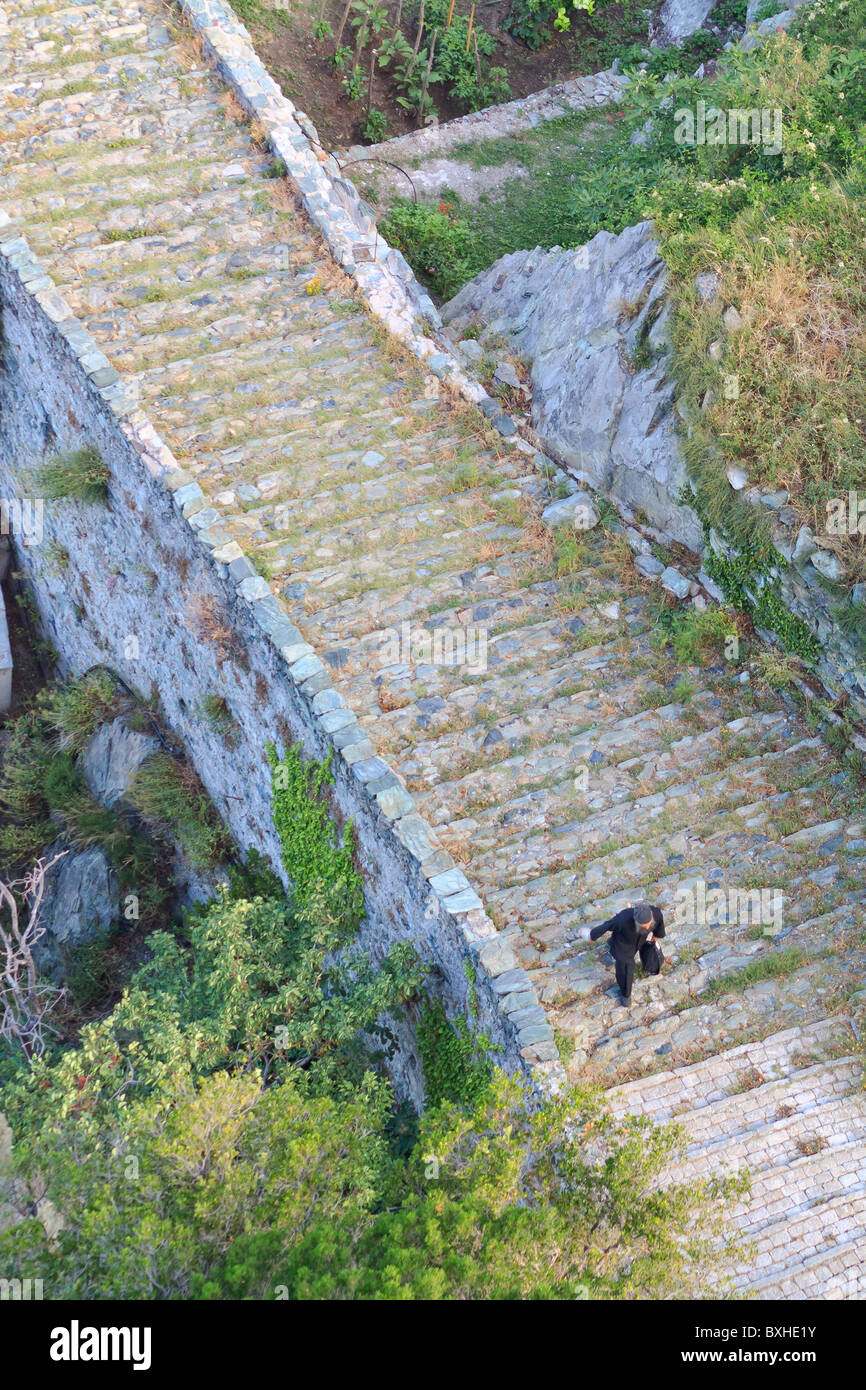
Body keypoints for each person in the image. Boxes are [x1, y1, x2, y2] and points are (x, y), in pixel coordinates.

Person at [578, 901, 665, 1007]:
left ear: (651, 914)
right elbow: (606, 926)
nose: (647, 928)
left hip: (640, 941)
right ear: (635, 920)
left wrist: (654, 940)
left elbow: (659, 926)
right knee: (626, 970)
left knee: (647, 953)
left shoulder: (656, 913)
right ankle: (626, 996)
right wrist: (590, 935)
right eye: (643, 926)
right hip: (622, 946)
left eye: (648, 925)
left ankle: (613, 950)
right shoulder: (622, 919)